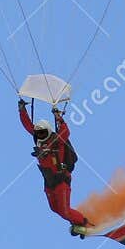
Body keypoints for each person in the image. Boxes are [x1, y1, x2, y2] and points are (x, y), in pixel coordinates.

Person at [18, 98, 91, 235]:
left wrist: (58, 116)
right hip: (49, 182)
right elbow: (28, 125)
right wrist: (22, 109)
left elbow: (65, 130)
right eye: (38, 133)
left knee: (64, 210)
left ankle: (84, 222)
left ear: (49, 131)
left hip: (61, 180)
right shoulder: (38, 140)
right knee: (54, 209)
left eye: (43, 133)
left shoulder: (58, 139)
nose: (40, 136)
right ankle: (77, 222)